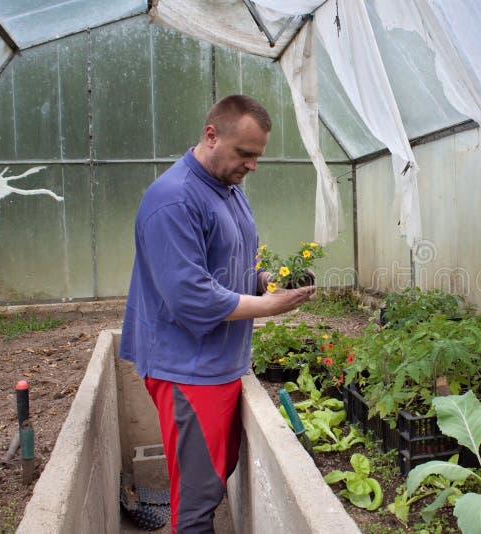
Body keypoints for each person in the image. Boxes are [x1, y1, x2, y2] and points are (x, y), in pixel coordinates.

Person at [120, 95, 314, 533]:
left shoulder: (229, 190)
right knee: (196, 500)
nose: (252, 165)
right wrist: (268, 307)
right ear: (211, 136)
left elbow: (230, 267)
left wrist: (266, 281)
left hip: (218, 364)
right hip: (187, 369)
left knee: (211, 476)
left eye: (257, 156)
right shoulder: (173, 200)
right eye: (245, 153)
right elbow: (190, 295)